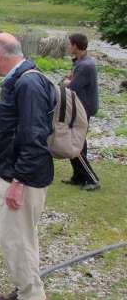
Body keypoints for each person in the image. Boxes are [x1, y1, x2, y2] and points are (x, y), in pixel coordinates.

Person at [0, 33, 55, 300]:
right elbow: (19, 129)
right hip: (16, 169)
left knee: (16, 239)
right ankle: (26, 286)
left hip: (22, 177)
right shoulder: (23, 79)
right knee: (20, 236)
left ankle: (32, 297)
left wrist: (18, 181)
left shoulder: (28, 83)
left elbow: (35, 136)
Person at [63, 33, 100, 190]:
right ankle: (78, 176)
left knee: (75, 143)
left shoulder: (86, 66)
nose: (68, 46)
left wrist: (66, 81)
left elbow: (71, 87)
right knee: (76, 142)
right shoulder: (80, 62)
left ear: (76, 46)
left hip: (83, 109)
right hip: (78, 107)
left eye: (69, 44)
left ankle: (92, 180)